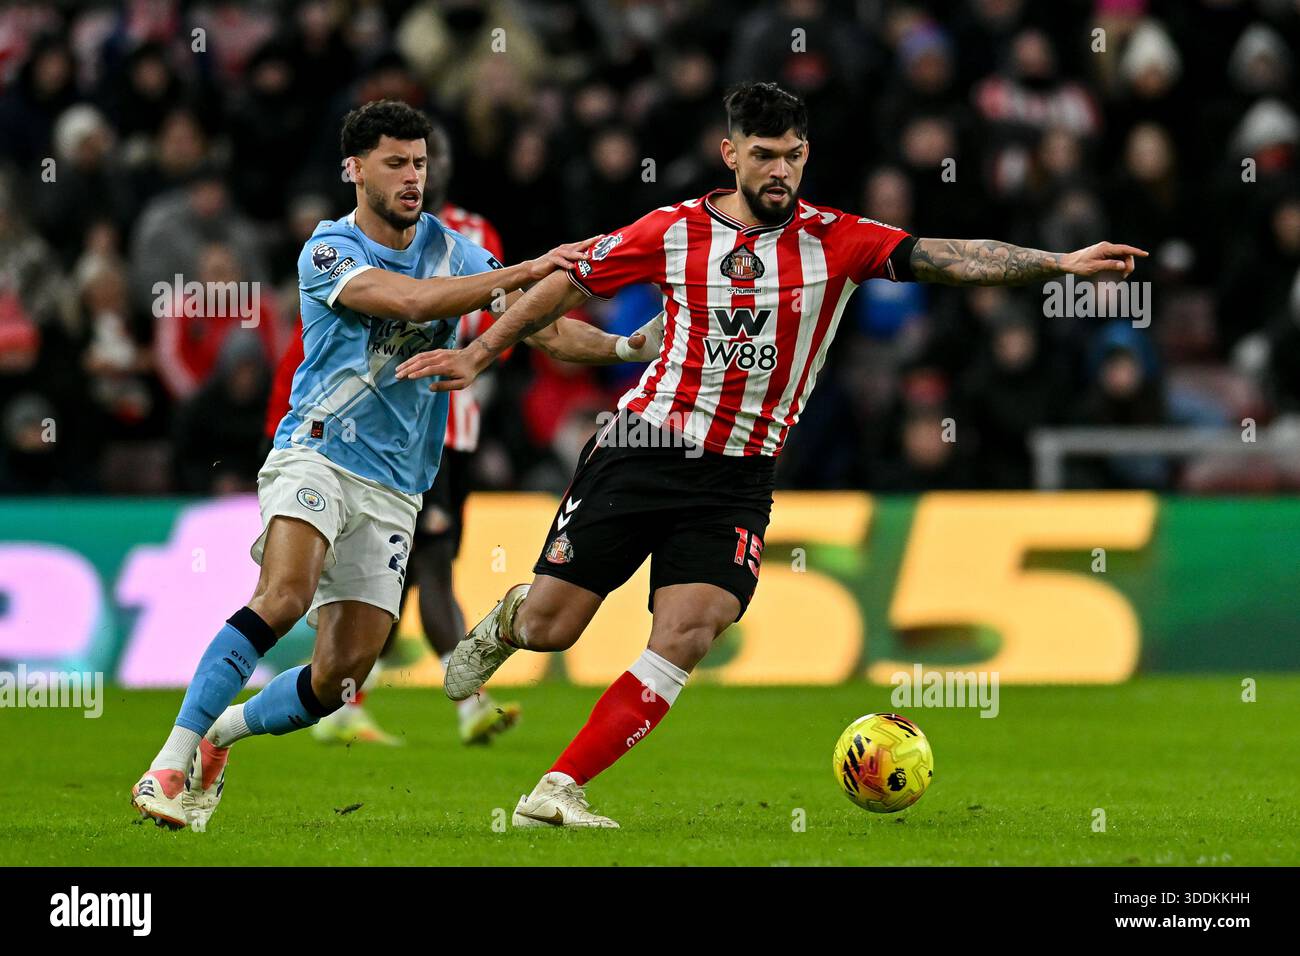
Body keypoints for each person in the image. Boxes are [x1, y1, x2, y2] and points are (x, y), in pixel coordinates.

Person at [396, 81, 1147, 828]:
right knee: (552, 629)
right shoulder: (671, 230)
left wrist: (1058, 263)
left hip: (742, 473)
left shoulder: (840, 239)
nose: (780, 170)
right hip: (645, 445)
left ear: (806, 154)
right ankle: (506, 625)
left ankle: (556, 789)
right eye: (763, 156)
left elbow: (947, 257)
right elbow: (566, 282)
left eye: (792, 155)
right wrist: (483, 353)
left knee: (690, 631)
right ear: (731, 155)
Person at [130, 99, 648, 831]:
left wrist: (629, 350)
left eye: (420, 163)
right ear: (355, 169)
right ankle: (166, 766)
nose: (412, 178)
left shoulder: (452, 248)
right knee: (283, 596)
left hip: (398, 484)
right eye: (396, 163)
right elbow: (408, 302)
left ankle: (223, 736)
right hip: (317, 451)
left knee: (340, 678)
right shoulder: (328, 249)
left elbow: (542, 326)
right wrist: (530, 268)